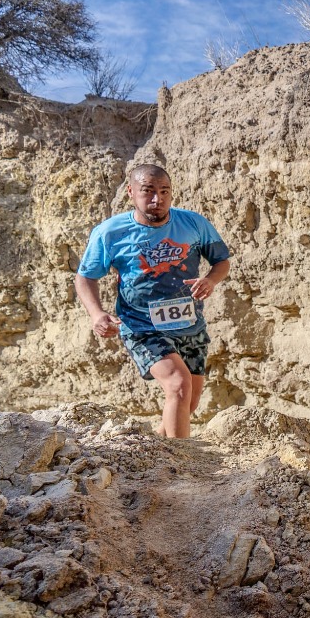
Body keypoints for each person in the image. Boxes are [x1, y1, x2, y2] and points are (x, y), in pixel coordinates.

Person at [74, 164, 231, 439]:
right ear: (131, 192)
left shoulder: (193, 224)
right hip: (141, 326)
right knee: (178, 385)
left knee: (187, 402)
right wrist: (96, 313)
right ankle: (182, 460)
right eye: (148, 191)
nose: (157, 199)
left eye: (164, 191)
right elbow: (85, 277)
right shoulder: (110, 232)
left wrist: (210, 280)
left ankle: (156, 446)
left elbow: (221, 261)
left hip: (189, 324)